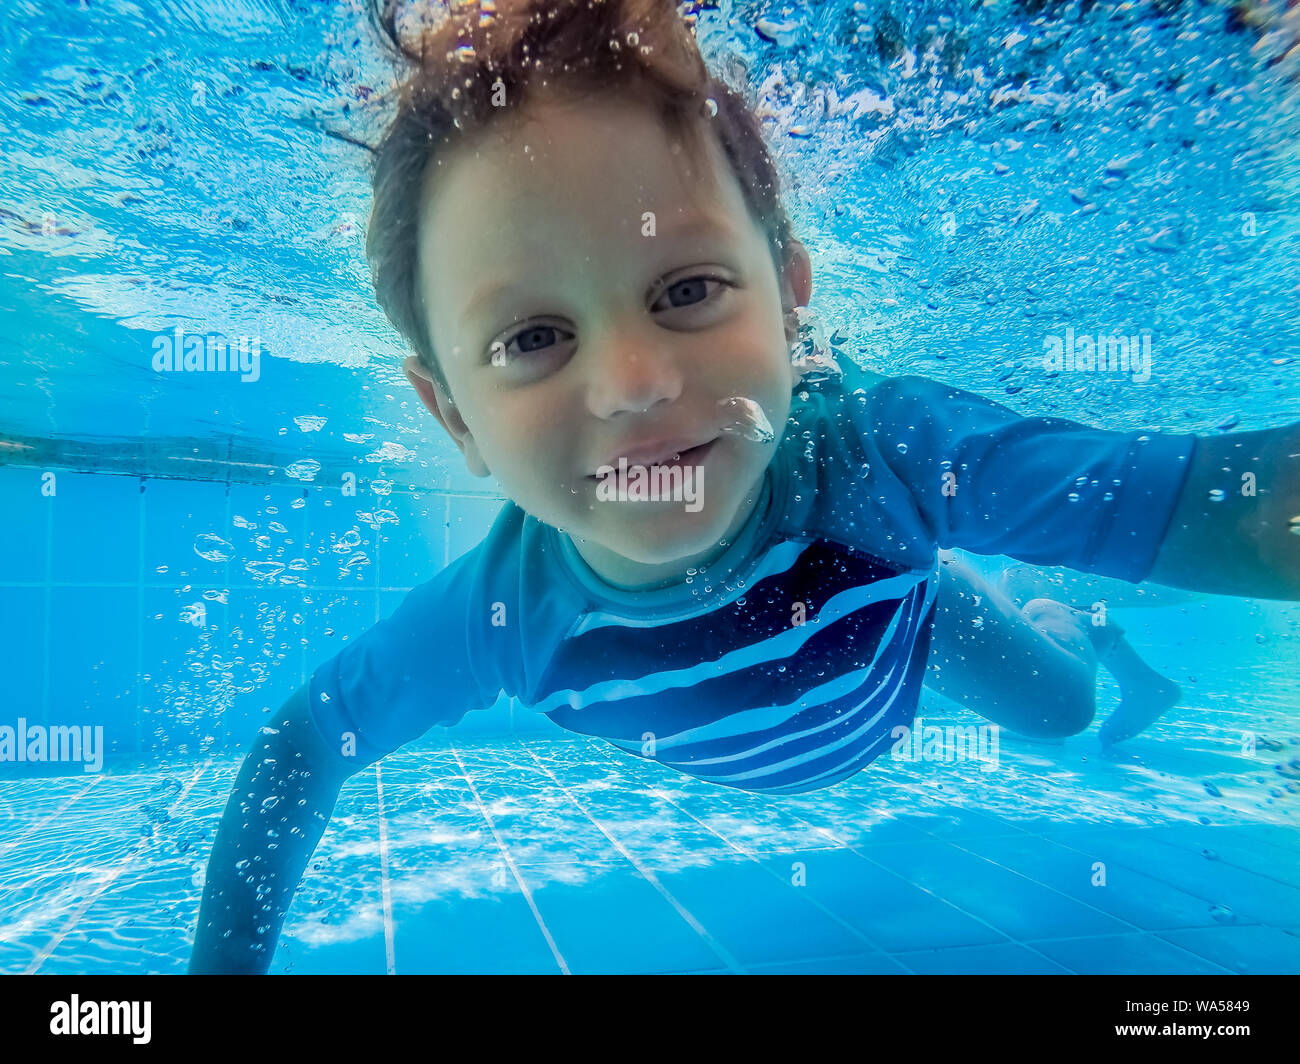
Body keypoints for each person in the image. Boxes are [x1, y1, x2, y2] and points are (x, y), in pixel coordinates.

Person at [189, 0, 1300, 973]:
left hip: (909, 631)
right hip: (862, 633)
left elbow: (1246, 510)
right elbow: (305, 742)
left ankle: (1075, 626)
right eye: (533, 334)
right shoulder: (500, 614)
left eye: (686, 288)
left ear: (790, 303)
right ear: (450, 416)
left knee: (1063, 709)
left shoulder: (886, 453)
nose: (633, 382)